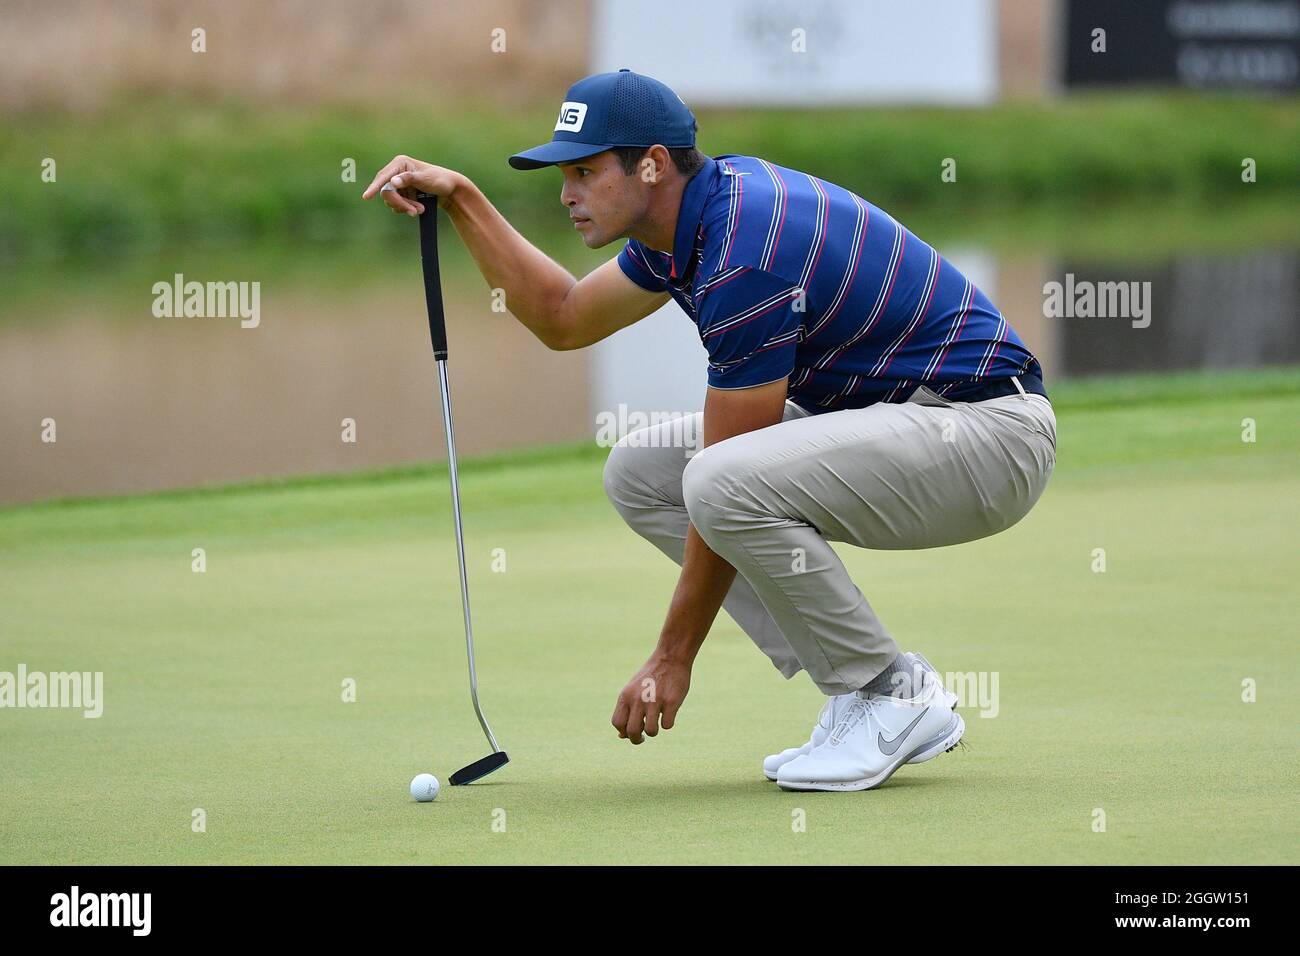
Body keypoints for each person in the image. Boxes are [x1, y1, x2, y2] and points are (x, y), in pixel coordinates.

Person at [363, 69, 1057, 792]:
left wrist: (673, 655)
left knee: (716, 480)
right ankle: (867, 686)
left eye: (584, 172)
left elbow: (727, 472)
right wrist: (463, 200)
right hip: (905, 417)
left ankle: (890, 695)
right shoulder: (684, 227)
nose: (566, 194)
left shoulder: (745, 250)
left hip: (987, 433)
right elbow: (563, 317)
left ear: (652, 164)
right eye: (564, 175)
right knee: (641, 473)